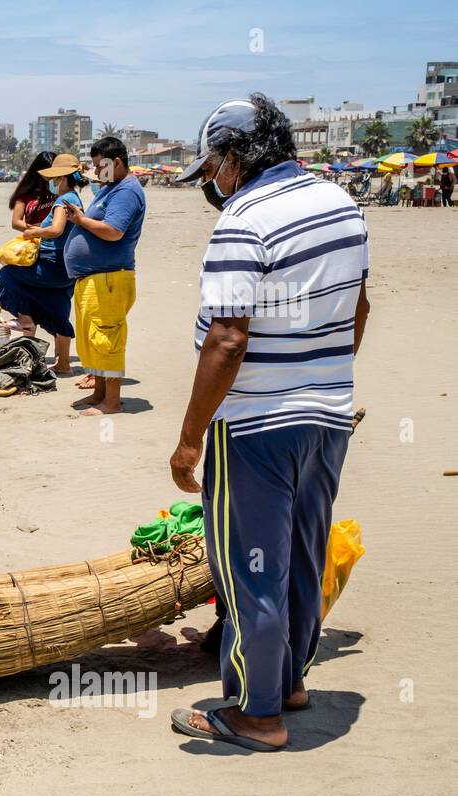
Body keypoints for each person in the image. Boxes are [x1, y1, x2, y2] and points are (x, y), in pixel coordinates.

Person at [168, 95, 370, 752]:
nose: (211, 181)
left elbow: (227, 339)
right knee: (302, 557)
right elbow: (359, 306)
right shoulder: (341, 204)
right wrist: (321, 378)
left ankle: (258, 714)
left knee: (250, 567)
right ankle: (288, 683)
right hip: (327, 416)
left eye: (213, 167)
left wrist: (190, 436)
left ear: (232, 157)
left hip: (255, 425)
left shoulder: (243, 219)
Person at [64, 136, 146, 414]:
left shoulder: (126, 191)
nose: (96, 173)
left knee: (106, 338)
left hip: (110, 278)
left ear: (118, 163)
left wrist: (80, 220)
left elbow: (114, 231)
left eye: (100, 167)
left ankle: (111, 402)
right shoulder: (111, 188)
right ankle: (99, 393)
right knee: (91, 339)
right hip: (95, 278)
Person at [0, 153, 86, 373]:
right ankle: (64, 364)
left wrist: (36, 232)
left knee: (6, 276)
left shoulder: (63, 200)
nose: (53, 182)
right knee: (59, 308)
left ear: (61, 178)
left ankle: (27, 319)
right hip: (65, 268)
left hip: (51, 264)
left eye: (55, 178)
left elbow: (56, 229)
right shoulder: (75, 198)